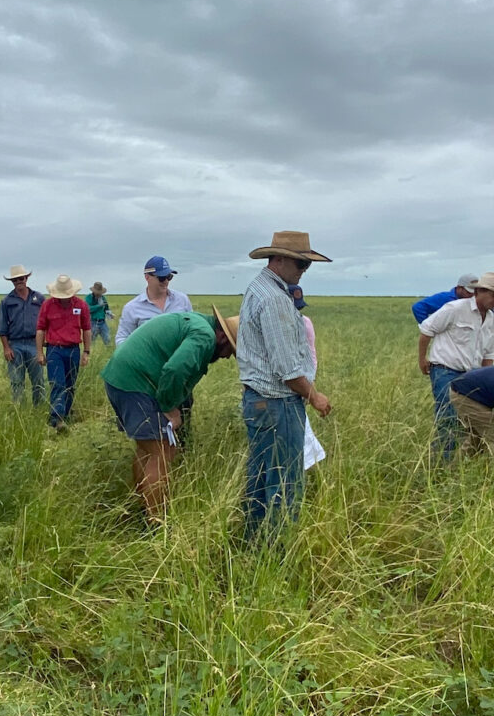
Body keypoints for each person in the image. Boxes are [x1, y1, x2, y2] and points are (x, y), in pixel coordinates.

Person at [237, 231, 334, 541]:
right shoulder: (275, 299)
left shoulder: (261, 288)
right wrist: (314, 396)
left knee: (263, 475)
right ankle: (277, 549)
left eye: (306, 264)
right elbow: (287, 369)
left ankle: (255, 543)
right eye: (301, 263)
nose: (304, 270)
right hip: (277, 404)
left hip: (264, 402)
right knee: (285, 479)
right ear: (277, 259)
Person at [102, 308, 237, 521]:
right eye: (230, 349)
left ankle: (143, 508)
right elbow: (175, 370)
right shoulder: (204, 337)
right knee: (164, 451)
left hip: (122, 378)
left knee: (147, 448)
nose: (228, 356)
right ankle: (157, 522)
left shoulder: (198, 323)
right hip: (135, 383)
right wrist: (168, 407)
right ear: (221, 336)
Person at [418, 271, 494, 461]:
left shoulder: (491, 319)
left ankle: (462, 460)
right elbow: (426, 330)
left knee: (472, 419)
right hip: (445, 370)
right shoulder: (455, 308)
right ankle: (439, 466)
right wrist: (422, 360)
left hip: (472, 376)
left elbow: (489, 353)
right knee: (449, 417)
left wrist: (486, 380)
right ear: (480, 292)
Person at [35, 274, 93, 428]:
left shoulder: (81, 306)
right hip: (54, 349)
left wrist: (86, 352)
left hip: (74, 350)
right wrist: (40, 353)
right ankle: (56, 418)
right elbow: (40, 329)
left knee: (70, 384)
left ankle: (66, 413)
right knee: (57, 383)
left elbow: (87, 329)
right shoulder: (47, 305)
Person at [0, 266, 45, 406]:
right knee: (16, 380)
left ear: (26, 278)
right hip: (15, 345)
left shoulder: (39, 298)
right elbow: (2, 327)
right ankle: (19, 410)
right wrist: (6, 348)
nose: (18, 281)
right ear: (12, 281)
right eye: (15, 279)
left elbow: (46, 322)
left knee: (38, 380)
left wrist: (42, 346)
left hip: (34, 343)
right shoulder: (6, 301)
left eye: (21, 278)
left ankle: (39, 408)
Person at [114, 256, 193, 344]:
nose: (166, 281)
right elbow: (122, 338)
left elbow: (193, 328)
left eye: (169, 277)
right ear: (147, 277)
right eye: (162, 278)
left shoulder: (182, 300)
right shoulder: (132, 308)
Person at [291, 282, 326, 471]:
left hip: (301, 383)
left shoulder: (305, 323)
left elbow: (311, 355)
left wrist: (309, 386)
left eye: (299, 308)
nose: (297, 312)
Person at [410, 274, 480, 324]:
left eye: (475, 292)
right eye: (468, 292)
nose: (472, 295)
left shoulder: (476, 300)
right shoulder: (444, 298)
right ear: (459, 287)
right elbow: (418, 307)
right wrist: (428, 328)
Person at [87, 282, 112, 349]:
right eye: (97, 292)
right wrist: (99, 306)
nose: (99, 294)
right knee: (91, 342)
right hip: (93, 322)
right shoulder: (89, 298)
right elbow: (88, 309)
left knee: (108, 340)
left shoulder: (103, 298)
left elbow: (106, 309)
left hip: (103, 322)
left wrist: (110, 314)